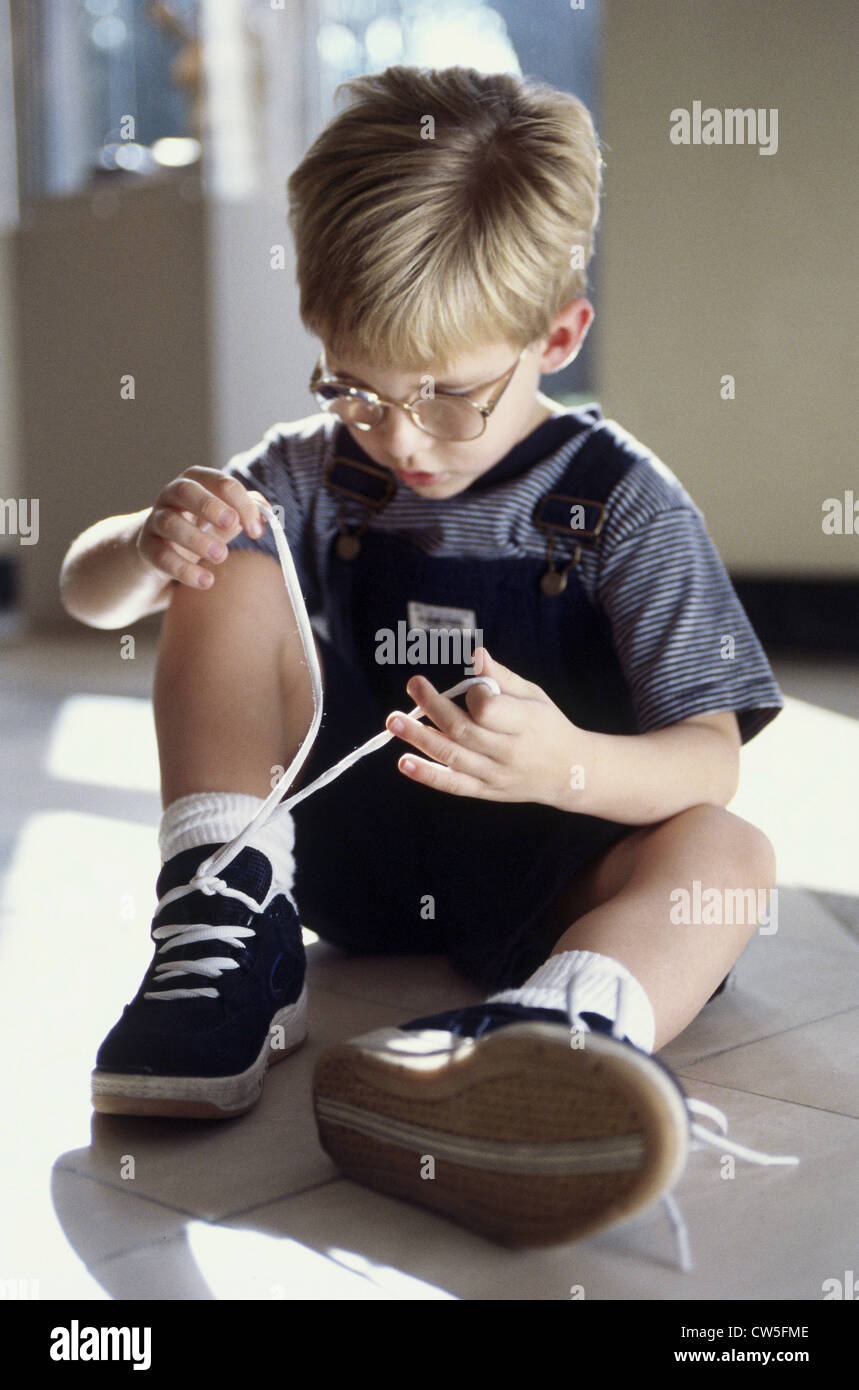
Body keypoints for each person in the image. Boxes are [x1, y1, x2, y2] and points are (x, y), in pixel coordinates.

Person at [60, 65, 791, 1254]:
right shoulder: (316, 470)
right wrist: (147, 545)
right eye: (355, 388)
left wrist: (566, 768)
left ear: (557, 335)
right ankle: (220, 929)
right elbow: (89, 595)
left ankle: (548, 1042)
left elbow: (709, 758)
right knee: (229, 547)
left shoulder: (623, 506)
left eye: (449, 394)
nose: (398, 436)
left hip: (549, 882)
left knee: (730, 853)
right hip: (342, 861)